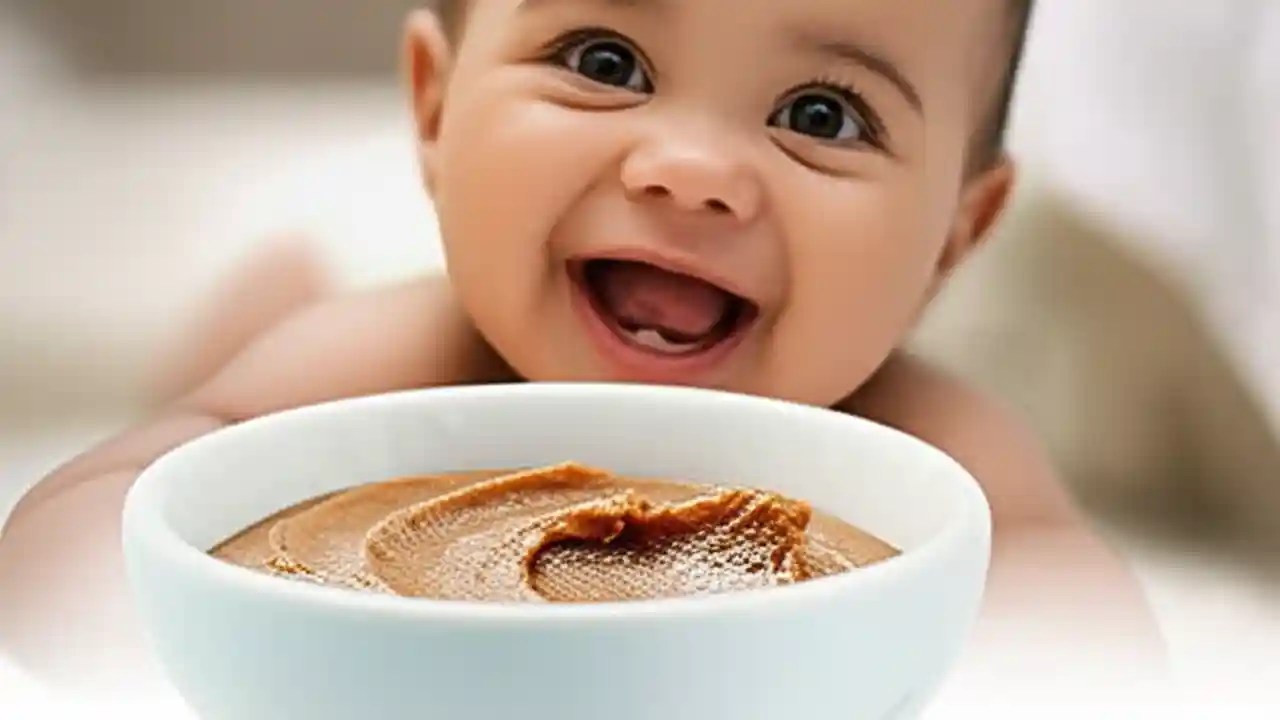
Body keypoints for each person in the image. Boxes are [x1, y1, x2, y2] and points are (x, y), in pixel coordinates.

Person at [0, 0, 1159, 687]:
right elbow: (118, 510)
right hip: (361, 255)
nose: (691, 170)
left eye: (820, 116)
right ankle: (269, 279)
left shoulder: (922, 443)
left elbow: (1076, 640)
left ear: (951, 239)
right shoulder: (396, 360)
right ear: (435, 110)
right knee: (262, 317)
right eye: (606, 62)